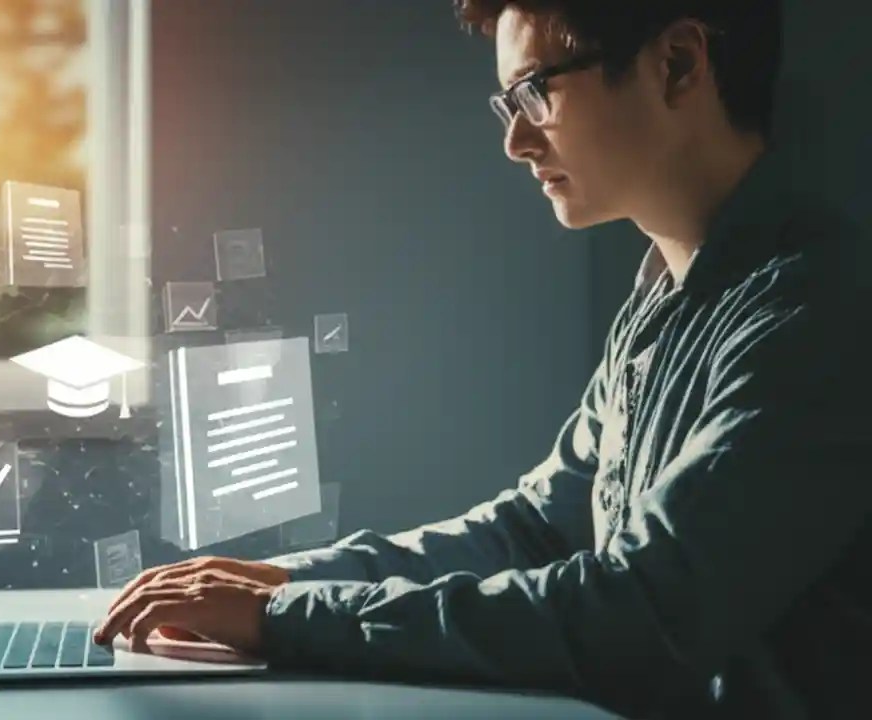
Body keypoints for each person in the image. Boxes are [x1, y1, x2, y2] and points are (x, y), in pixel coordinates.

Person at [92, 1, 870, 717]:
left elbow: (641, 613)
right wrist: (294, 580)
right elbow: (533, 529)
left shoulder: (820, 315)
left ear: (676, 65)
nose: (516, 141)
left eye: (535, 92)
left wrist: (285, 618)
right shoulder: (663, 301)